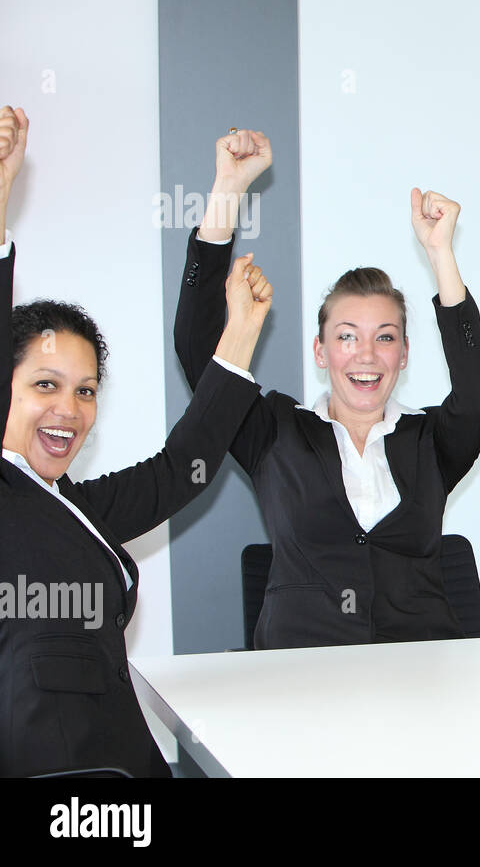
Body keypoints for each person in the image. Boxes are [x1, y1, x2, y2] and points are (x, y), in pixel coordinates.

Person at [0, 106, 269, 776]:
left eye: (85, 390)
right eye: (45, 385)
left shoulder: (74, 508)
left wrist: (238, 333)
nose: (69, 409)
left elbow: (186, 469)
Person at [173, 129, 480, 649]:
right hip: (302, 688)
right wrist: (227, 192)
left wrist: (441, 256)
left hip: (421, 684)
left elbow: (479, 394)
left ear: (405, 354)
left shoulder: (430, 441)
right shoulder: (274, 431)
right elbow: (197, 351)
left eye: (384, 338)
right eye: (346, 337)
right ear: (321, 353)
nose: (366, 356)